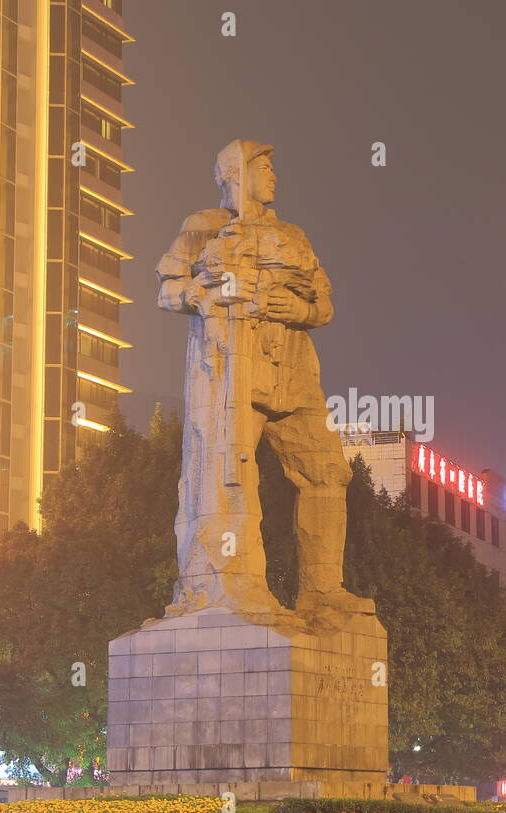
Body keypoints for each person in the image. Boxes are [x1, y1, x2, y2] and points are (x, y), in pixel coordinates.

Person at [157, 140, 374, 621]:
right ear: (236, 171)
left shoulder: (294, 235)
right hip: (231, 367)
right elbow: (167, 291)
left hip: (294, 370)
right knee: (229, 474)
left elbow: (324, 305)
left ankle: (323, 591)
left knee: (327, 472)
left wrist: (300, 309)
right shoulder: (203, 227)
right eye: (265, 167)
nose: (274, 176)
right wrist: (200, 292)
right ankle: (233, 588)